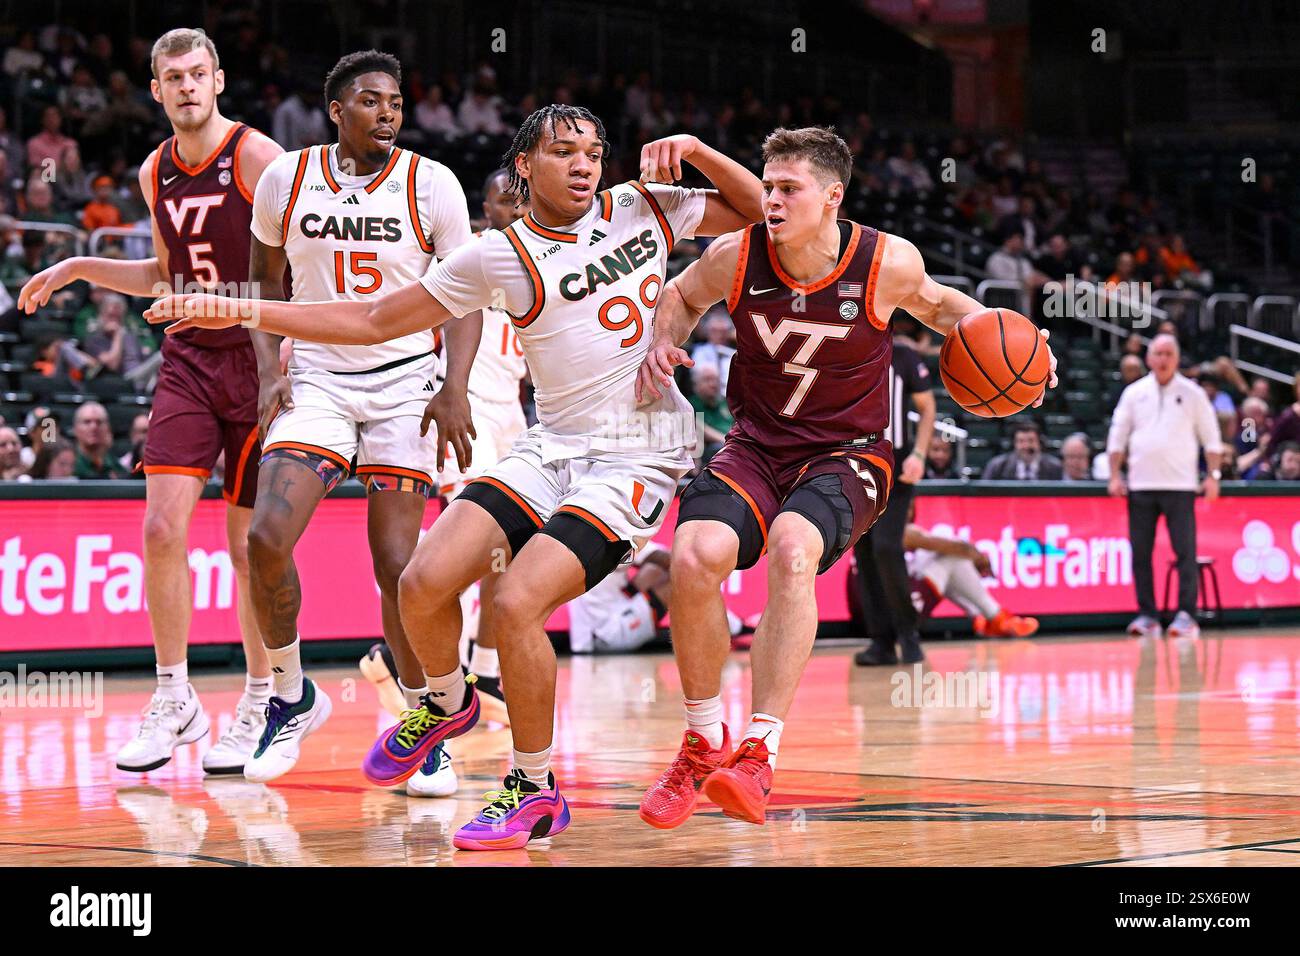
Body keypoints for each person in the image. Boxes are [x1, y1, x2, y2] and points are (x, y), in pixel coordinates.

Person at [146, 106, 764, 849]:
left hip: (640, 449)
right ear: (523, 168)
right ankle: (445, 701)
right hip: (555, 443)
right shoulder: (493, 255)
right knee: (420, 582)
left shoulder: (642, 205)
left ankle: (535, 789)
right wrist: (236, 304)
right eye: (564, 151)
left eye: (595, 151)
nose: (584, 165)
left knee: (516, 603)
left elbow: (765, 213)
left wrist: (695, 145)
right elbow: (374, 319)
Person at [630, 127, 1055, 830]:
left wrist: (1029, 355)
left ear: (833, 198)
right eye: (767, 187)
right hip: (757, 444)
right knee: (693, 556)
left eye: (787, 189)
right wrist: (660, 340)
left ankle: (759, 752)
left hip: (848, 451)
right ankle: (703, 742)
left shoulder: (884, 262)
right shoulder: (735, 257)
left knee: (794, 550)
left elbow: (948, 309)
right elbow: (678, 295)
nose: (770, 199)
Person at [18, 27, 283, 775]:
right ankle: (175, 697)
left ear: (220, 80)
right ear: (158, 90)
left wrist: (286, 347)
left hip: (260, 360)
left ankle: (261, 698)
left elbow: (300, 266)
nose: (189, 86)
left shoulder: (259, 159)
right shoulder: (153, 171)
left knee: (247, 548)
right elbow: (168, 279)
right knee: (162, 528)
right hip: (192, 360)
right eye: (175, 78)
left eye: (200, 73)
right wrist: (77, 264)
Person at [241, 50, 480, 790]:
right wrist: (270, 369)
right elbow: (261, 280)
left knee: (397, 568)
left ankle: (422, 720)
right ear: (337, 109)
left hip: (406, 384)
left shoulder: (431, 182)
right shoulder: (286, 177)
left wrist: (455, 387)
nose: (387, 112)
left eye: (396, 102)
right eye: (371, 101)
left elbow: (465, 292)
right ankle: (289, 694)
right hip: (315, 378)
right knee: (266, 537)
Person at [418, 168, 530, 729]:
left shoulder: (545, 263)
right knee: (461, 550)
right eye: (502, 200)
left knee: (506, 555)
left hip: (513, 420)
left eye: (520, 200)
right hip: (465, 416)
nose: (513, 209)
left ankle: (484, 672)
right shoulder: (465, 257)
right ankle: (421, 666)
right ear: (484, 207)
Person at [1107, 333, 1222, 639]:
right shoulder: (1134, 393)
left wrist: (1213, 476)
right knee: (1140, 554)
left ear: (1177, 358)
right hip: (1141, 486)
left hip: (1181, 486)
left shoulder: (1193, 393)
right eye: (1158, 353)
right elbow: (1117, 436)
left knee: (1185, 552)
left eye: (1168, 354)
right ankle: (1147, 616)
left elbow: (1211, 439)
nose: (1163, 359)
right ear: (1149, 358)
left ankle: (1186, 615)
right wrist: (1114, 475)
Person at [853, 338, 935, 666]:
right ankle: (881, 641)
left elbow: (928, 407)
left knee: (887, 547)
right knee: (864, 553)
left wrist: (920, 452)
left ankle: (908, 632)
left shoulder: (902, 355)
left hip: (897, 466)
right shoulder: (846, 351)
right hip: (856, 465)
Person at [903, 503, 1038, 638]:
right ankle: (995, 618)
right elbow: (960, 548)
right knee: (952, 557)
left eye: (908, 507)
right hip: (895, 614)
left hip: (903, 605)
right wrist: (979, 558)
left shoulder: (905, 531)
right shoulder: (898, 531)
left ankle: (983, 619)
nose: (905, 512)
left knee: (940, 558)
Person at [981, 422, 1062, 480]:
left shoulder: (1054, 466)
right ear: (1014, 444)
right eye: (1021, 441)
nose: (1026, 446)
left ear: (1040, 443)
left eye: (1031, 441)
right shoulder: (997, 465)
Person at [71, 400, 131, 479]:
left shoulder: (116, 467)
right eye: (87, 422)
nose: (94, 427)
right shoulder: (68, 466)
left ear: (108, 428)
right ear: (75, 429)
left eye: (99, 422)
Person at [687, 362, 732, 464]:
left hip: (733, 445)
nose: (713, 384)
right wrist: (728, 442)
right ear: (696, 384)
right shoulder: (690, 405)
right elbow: (700, 429)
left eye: (715, 380)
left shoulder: (726, 403)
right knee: (718, 449)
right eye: (707, 380)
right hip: (713, 450)